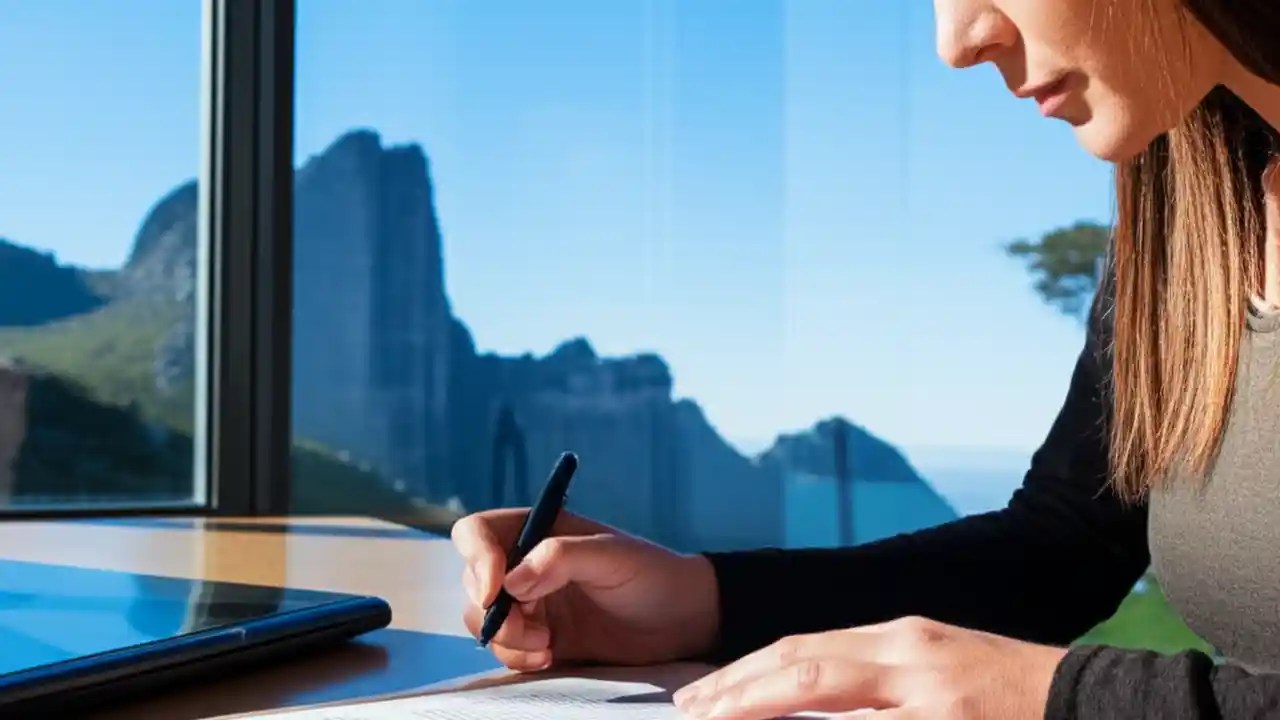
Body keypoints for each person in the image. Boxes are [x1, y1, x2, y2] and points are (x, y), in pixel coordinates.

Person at [451, 0, 1280, 717]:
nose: (957, 41)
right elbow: (1063, 548)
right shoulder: (1193, 209)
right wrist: (699, 603)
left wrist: (1051, 698)